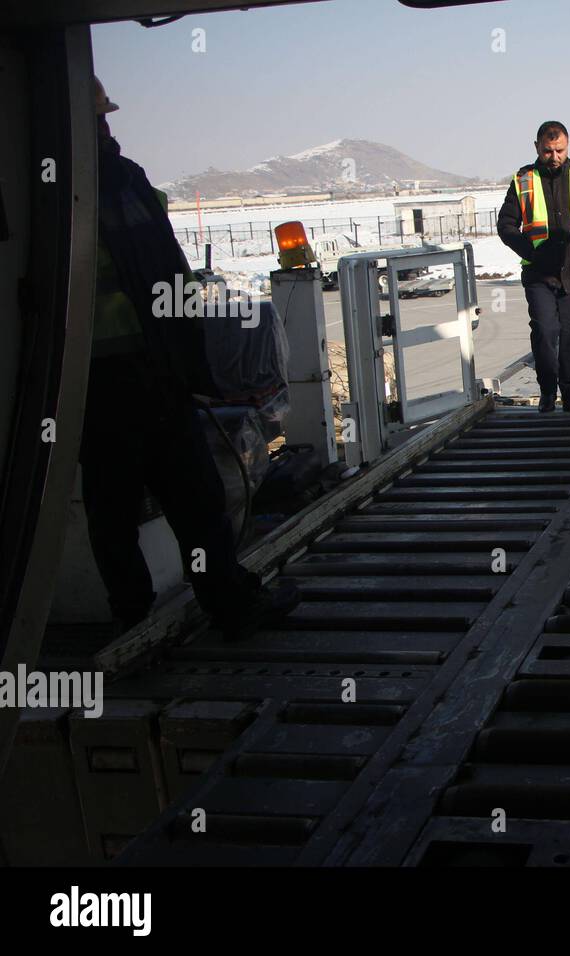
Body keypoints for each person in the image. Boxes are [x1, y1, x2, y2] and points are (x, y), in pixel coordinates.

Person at [83, 77, 298, 640]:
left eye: (105, 118)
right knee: (141, 506)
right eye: (97, 118)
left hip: (139, 375)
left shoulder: (114, 181)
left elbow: (167, 276)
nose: (107, 128)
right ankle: (148, 619)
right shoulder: (87, 187)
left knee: (180, 500)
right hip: (109, 379)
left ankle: (183, 611)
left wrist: (191, 367)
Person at [497, 121, 570, 414]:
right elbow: (506, 225)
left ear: (567, 146)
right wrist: (530, 252)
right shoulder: (523, 180)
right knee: (545, 333)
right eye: (548, 151)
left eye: (559, 150)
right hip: (540, 275)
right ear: (537, 147)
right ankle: (548, 391)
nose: (554, 156)